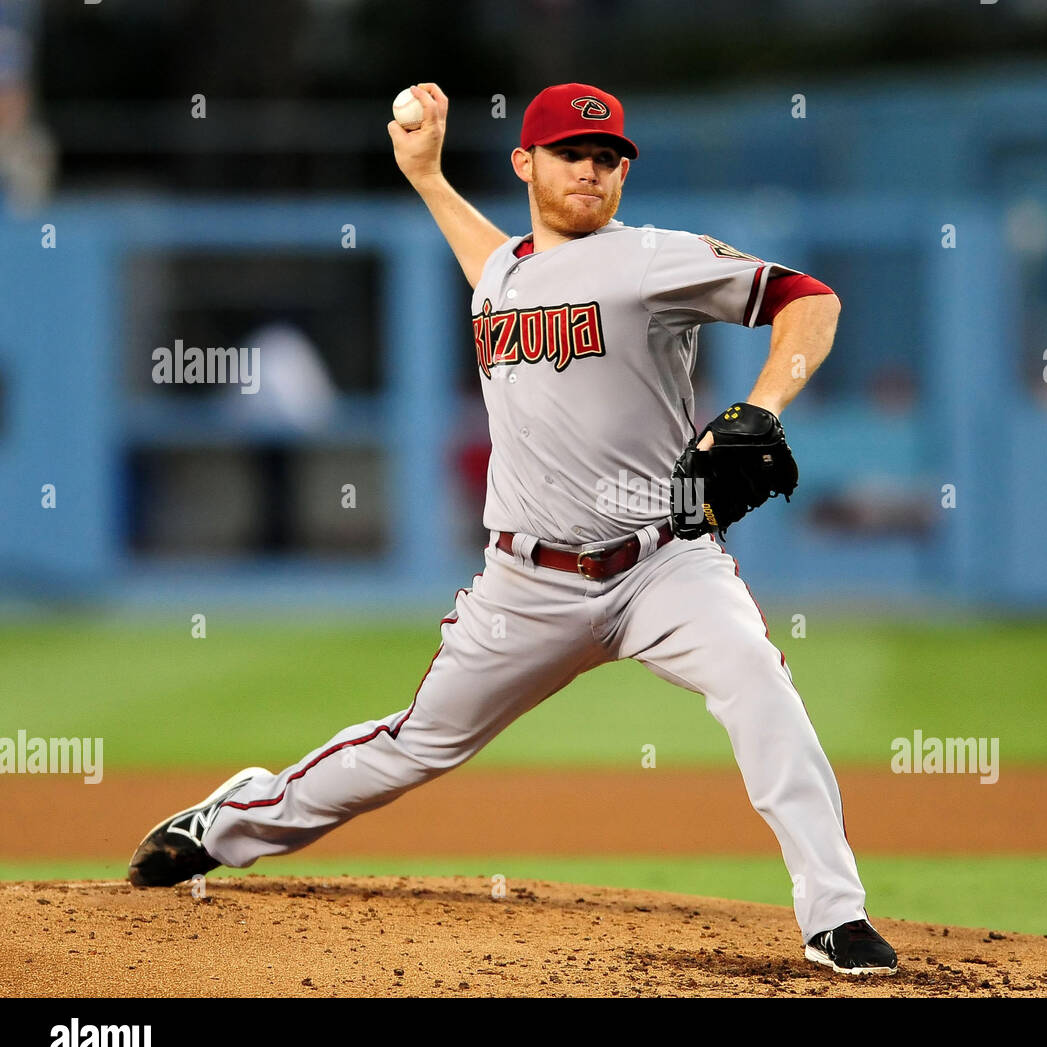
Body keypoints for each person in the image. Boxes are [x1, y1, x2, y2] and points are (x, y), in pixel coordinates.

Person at [127, 82, 897, 978]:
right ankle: (226, 823)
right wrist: (426, 178)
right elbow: (496, 262)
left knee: (763, 691)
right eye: (573, 153)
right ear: (527, 164)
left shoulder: (653, 258)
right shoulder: (503, 272)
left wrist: (763, 408)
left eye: (609, 157)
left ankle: (834, 917)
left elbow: (813, 300)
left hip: (665, 566)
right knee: (413, 746)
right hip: (527, 585)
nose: (593, 170)